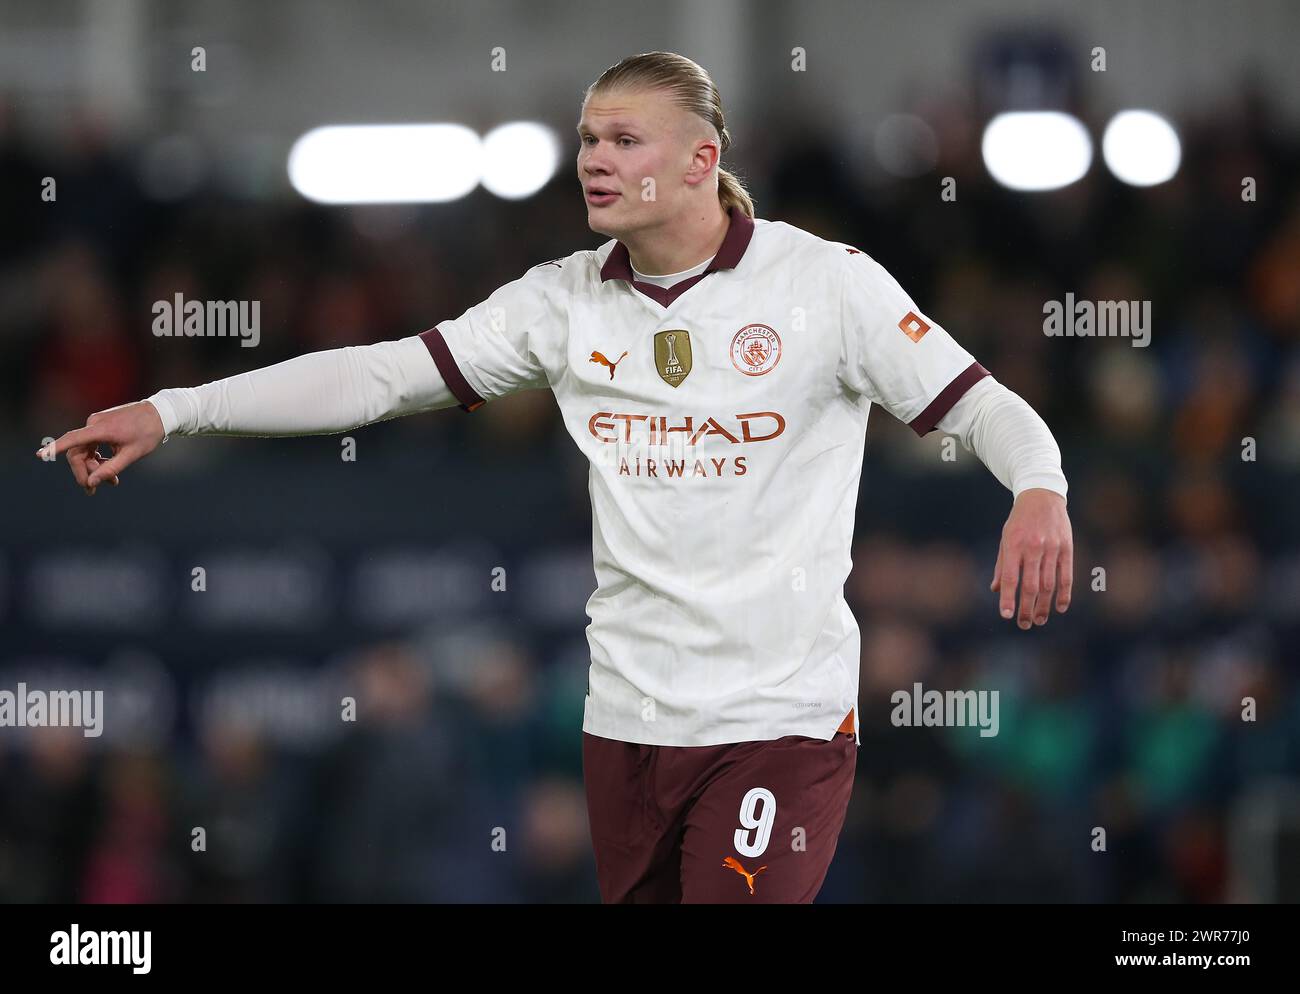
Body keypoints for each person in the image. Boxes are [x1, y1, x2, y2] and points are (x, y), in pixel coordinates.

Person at [38, 51, 1072, 903]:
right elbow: (378, 376)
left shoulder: (824, 285)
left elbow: (983, 404)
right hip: (625, 726)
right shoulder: (560, 303)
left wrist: (1038, 488)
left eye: (625, 140)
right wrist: (173, 409)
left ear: (702, 158)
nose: (594, 160)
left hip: (779, 722)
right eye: (587, 139)